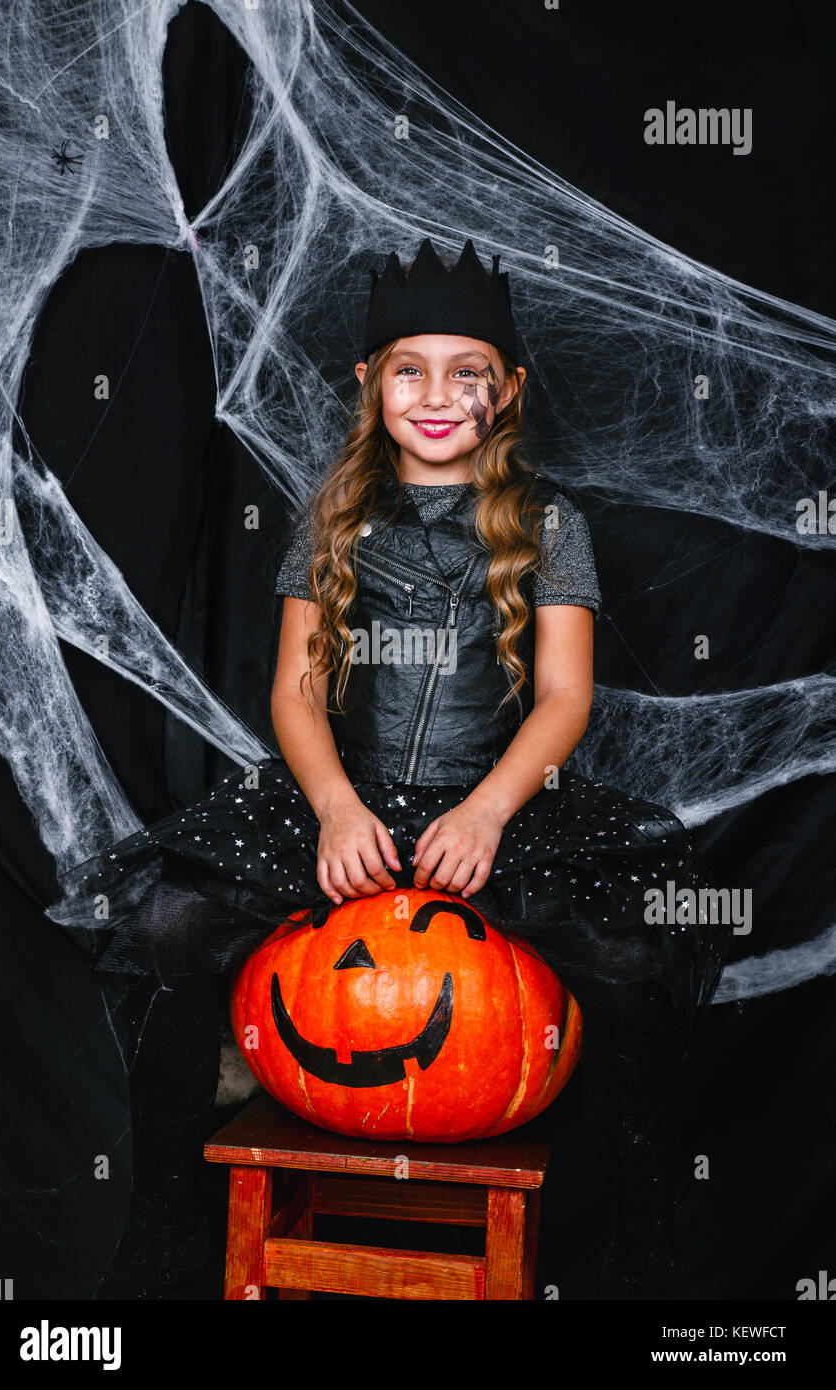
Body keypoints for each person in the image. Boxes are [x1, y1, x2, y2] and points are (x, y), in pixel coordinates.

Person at [48, 237, 726, 1299]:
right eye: (410, 369)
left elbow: (562, 698)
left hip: (494, 800)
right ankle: (164, 1230)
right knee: (169, 923)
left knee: (634, 958)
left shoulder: (551, 524)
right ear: (370, 385)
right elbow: (293, 693)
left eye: (468, 373)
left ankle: (643, 1256)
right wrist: (329, 807)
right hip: (346, 793)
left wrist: (490, 812)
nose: (438, 395)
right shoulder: (331, 520)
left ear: (505, 393)